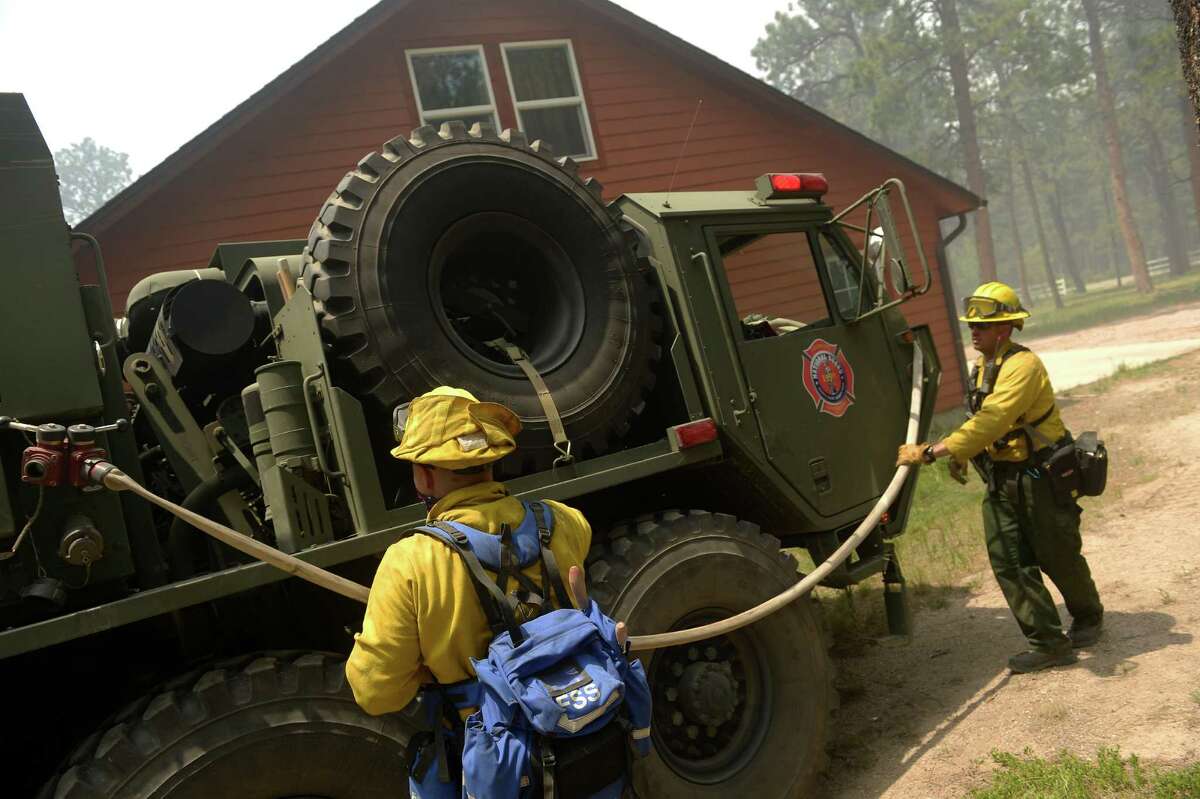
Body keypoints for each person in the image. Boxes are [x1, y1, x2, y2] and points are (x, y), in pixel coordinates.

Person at [345, 386, 631, 794]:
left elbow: (375, 693)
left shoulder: (409, 562)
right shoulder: (565, 522)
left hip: (498, 766)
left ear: (423, 473)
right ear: (490, 458)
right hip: (583, 742)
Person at [896, 282, 1104, 674]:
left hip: (1040, 478)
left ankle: (1089, 616)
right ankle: (1049, 643)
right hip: (1003, 479)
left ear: (1005, 329)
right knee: (1009, 561)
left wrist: (935, 452)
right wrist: (964, 454)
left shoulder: (1024, 367)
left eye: (982, 326)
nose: (973, 332)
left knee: (1057, 555)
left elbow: (995, 418)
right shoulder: (982, 367)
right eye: (971, 325)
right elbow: (979, 419)